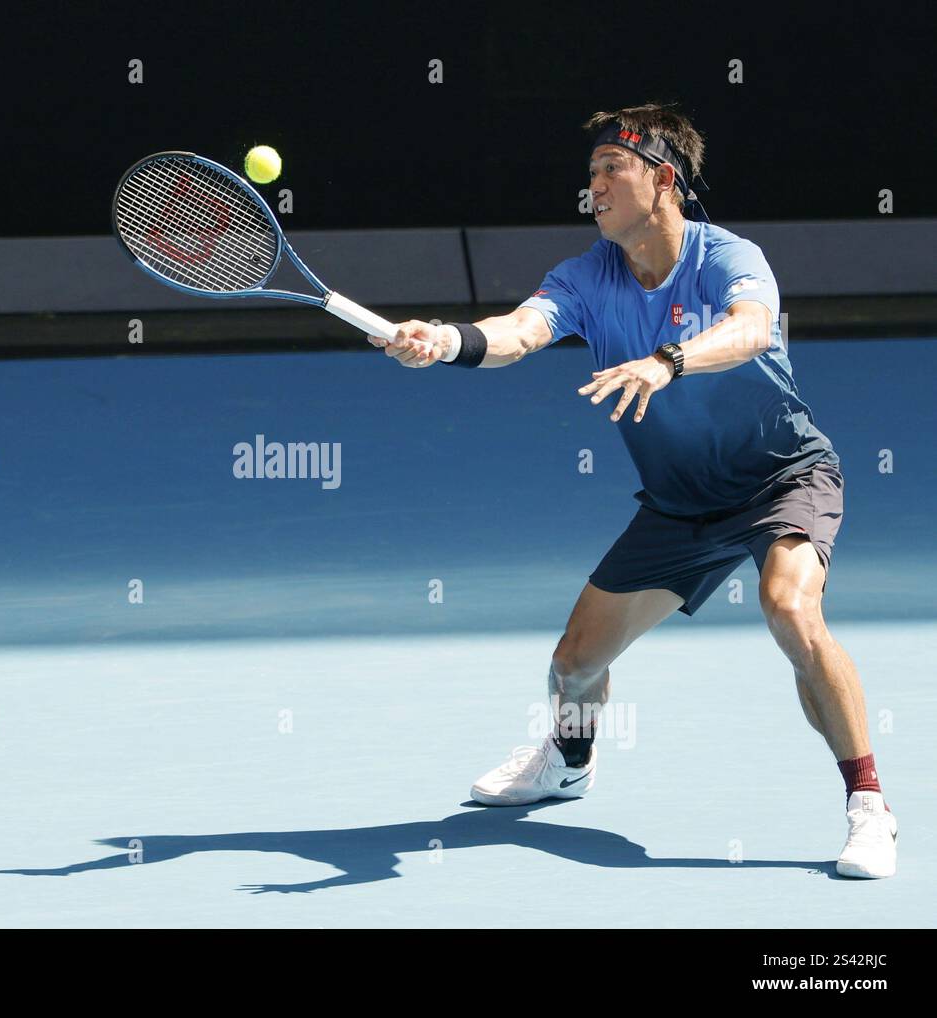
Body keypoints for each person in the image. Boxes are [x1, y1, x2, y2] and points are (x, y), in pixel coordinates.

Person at [368, 102, 896, 879]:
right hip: (681, 503)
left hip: (780, 476)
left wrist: (667, 361)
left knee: (789, 606)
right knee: (574, 662)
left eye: (613, 168)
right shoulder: (585, 277)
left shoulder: (726, 257)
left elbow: (752, 328)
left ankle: (869, 805)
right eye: (590, 173)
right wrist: (446, 340)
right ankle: (570, 760)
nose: (595, 185)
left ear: (664, 180)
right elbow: (519, 332)